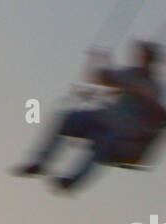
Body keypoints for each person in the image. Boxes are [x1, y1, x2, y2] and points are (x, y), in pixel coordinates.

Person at [12, 40, 166, 191]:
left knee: (106, 143)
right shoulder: (130, 74)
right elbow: (100, 77)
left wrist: (142, 96)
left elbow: (156, 111)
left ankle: (72, 181)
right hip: (102, 118)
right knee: (68, 118)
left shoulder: (154, 86)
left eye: (146, 57)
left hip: (122, 133)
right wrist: (98, 61)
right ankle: (40, 163)